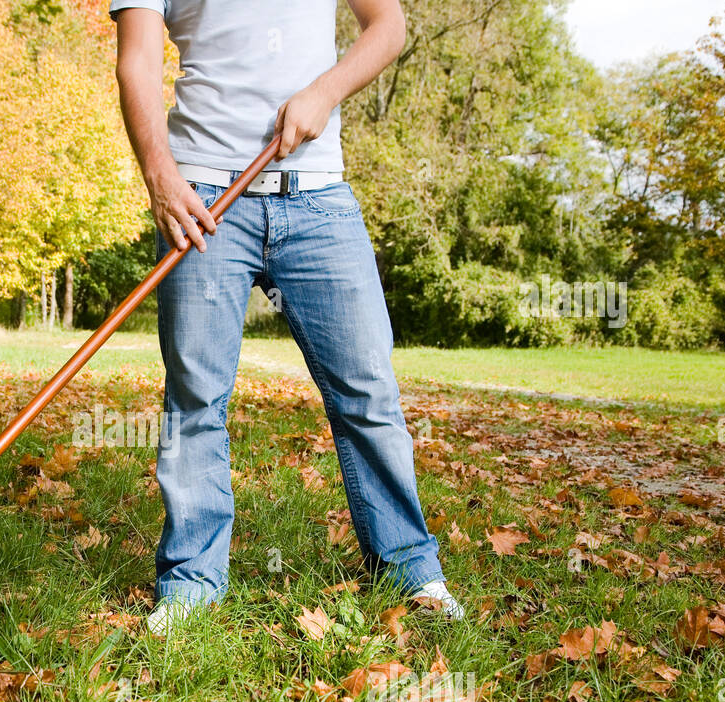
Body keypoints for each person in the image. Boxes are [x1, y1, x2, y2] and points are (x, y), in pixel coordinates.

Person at [110, 0, 464, 633]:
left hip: (320, 195)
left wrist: (323, 92)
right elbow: (135, 58)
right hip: (201, 196)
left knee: (368, 390)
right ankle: (191, 584)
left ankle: (413, 570)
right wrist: (160, 176)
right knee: (194, 400)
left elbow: (388, 24)